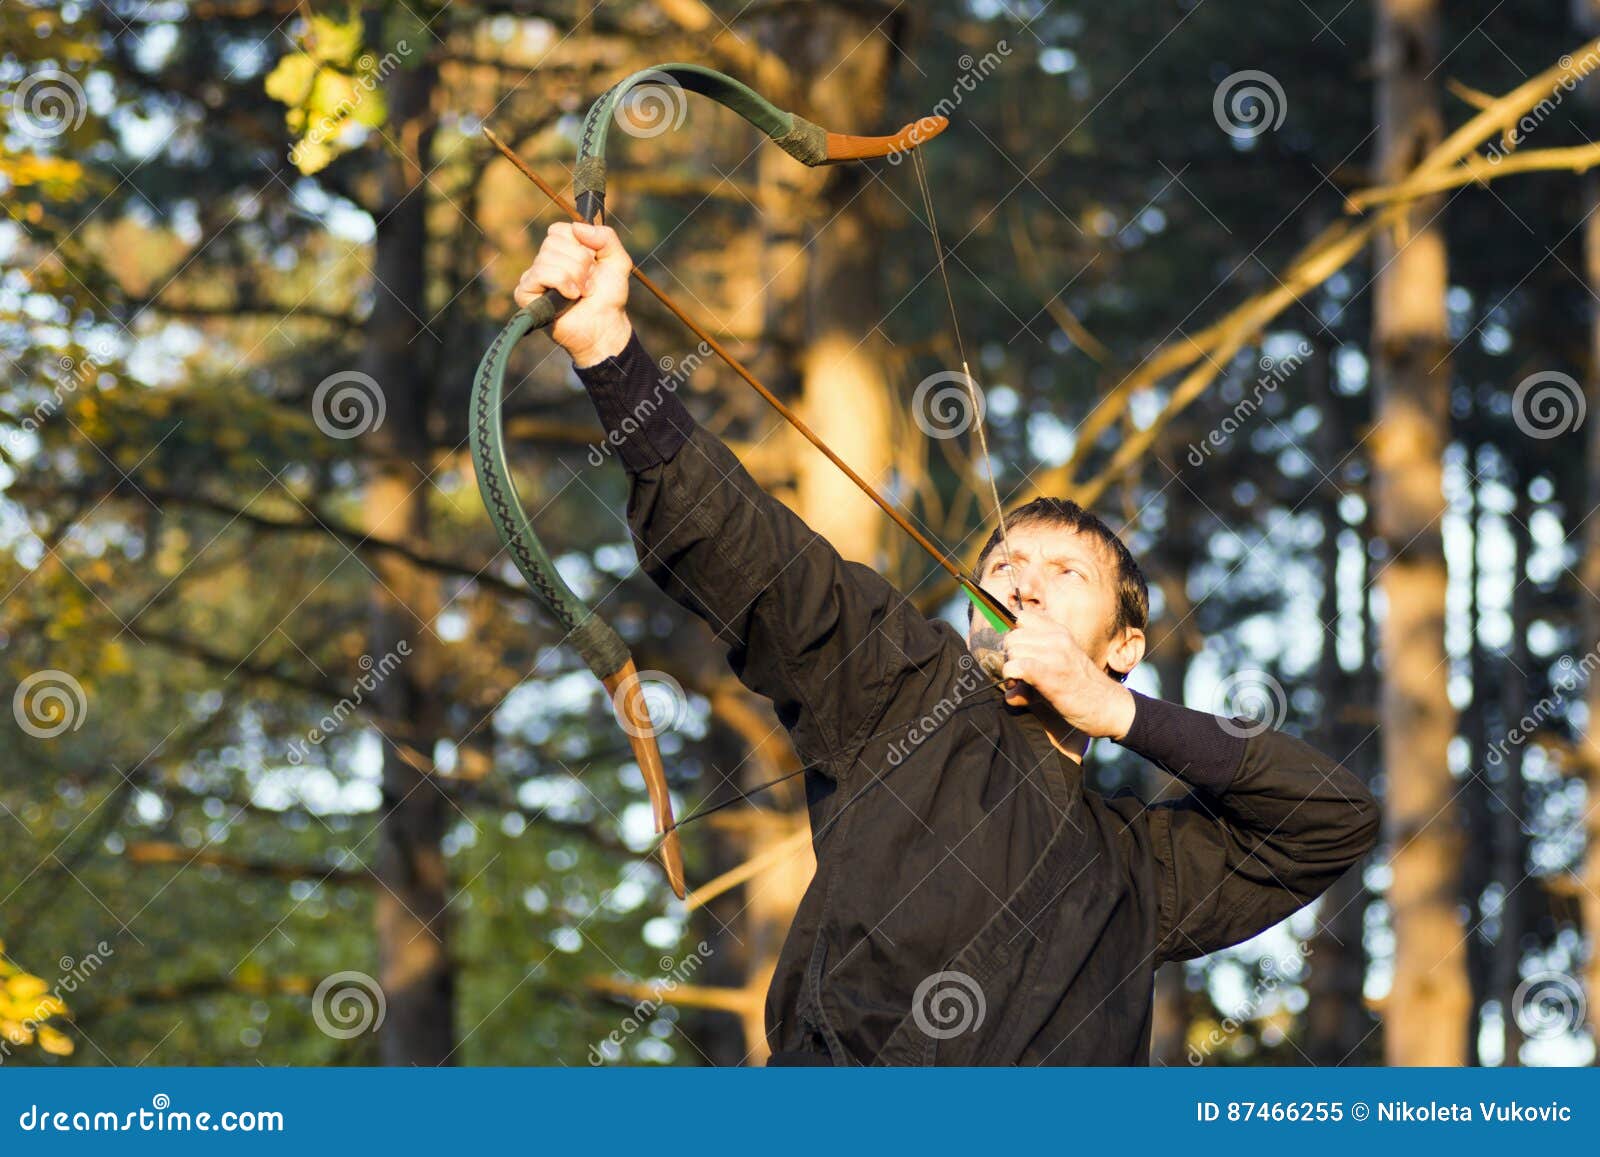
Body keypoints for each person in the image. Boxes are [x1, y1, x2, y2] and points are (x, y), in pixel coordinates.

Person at [515, 220, 1380, 1066]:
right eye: (1004, 564)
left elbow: (1335, 819)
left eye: (1066, 575)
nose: (1023, 582)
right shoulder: (901, 689)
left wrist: (1118, 712)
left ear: (1124, 645)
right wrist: (609, 351)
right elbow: (760, 561)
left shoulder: (1142, 868)